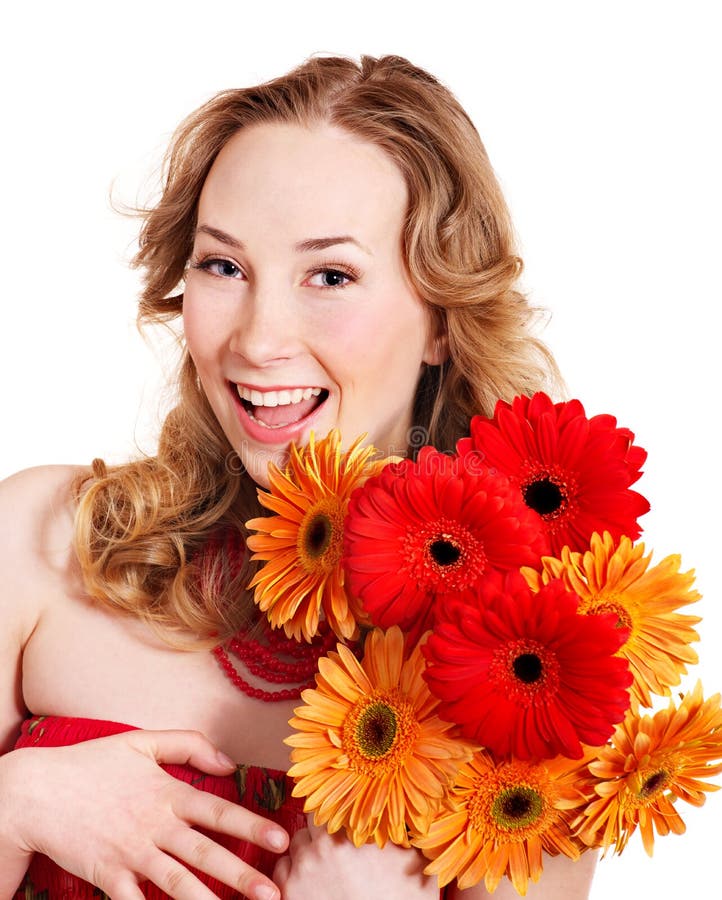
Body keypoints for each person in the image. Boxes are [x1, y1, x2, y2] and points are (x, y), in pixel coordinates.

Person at [0, 54, 597, 899]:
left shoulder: (521, 684)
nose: (257, 337)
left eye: (330, 276)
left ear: (440, 318)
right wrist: (18, 803)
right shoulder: (41, 541)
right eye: (223, 266)